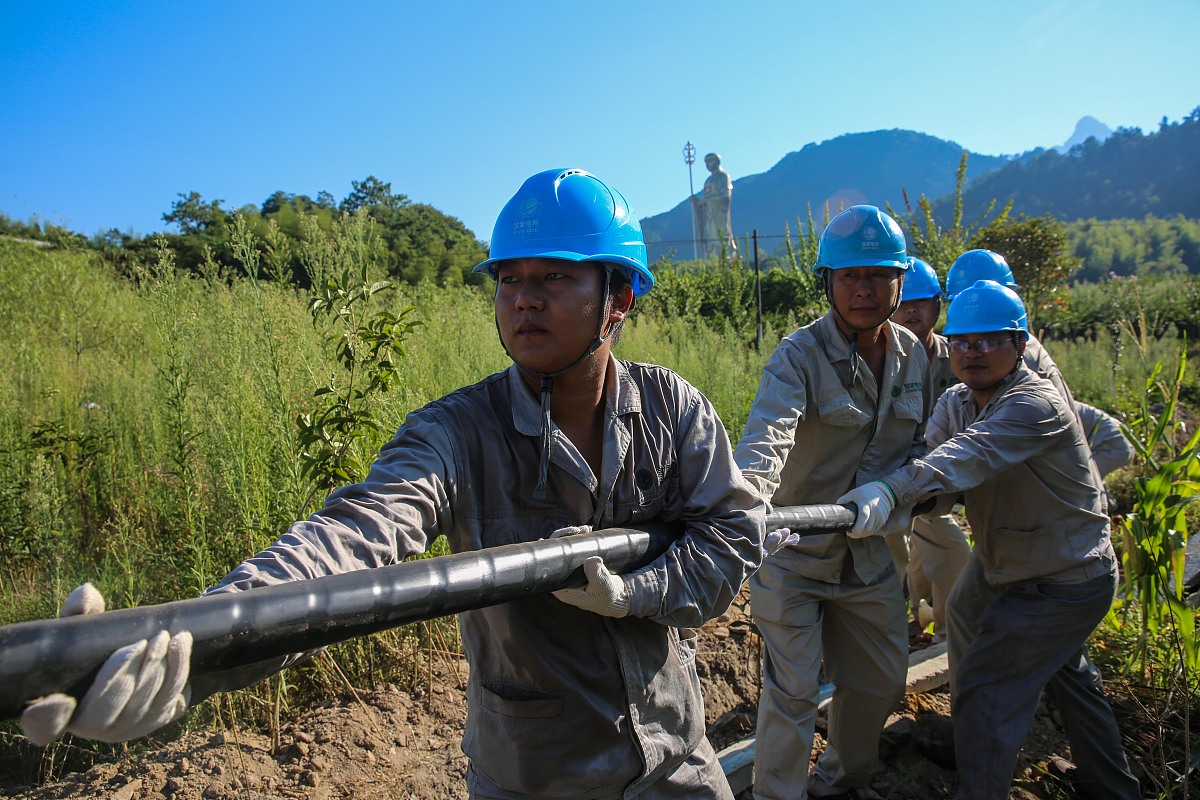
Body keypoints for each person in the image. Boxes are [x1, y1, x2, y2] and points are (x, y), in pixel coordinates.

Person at [20, 168, 769, 800]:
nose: (523, 298)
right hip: (538, 775)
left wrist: (632, 593)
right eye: (509, 279)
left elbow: (734, 534)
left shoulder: (672, 408)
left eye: (554, 277)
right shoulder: (455, 434)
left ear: (619, 299)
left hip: (677, 757)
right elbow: (346, 541)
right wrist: (193, 647)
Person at [839, 280, 1140, 800]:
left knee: (987, 683)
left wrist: (891, 490)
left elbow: (963, 458)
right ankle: (1109, 786)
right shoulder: (958, 401)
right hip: (1004, 560)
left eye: (988, 341)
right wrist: (900, 492)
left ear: (1021, 345)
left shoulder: (1034, 405)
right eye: (961, 342)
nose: (971, 352)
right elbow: (929, 461)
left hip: (1064, 577)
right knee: (1043, 661)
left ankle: (980, 779)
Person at [734, 205, 928, 799]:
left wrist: (913, 489)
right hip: (794, 555)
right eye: (849, 276)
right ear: (827, 282)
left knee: (880, 682)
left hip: (868, 558)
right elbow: (768, 435)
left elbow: (924, 441)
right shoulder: (799, 355)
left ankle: (840, 782)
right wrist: (745, 505)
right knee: (793, 690)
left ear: (900, 282)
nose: (863, 289)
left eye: (877, 275)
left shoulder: (915, 357)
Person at [890, 256, 971, 642]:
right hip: (889, 479)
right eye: (905, 304)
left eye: (922, 303)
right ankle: (912, 616)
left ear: (938, 306)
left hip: (938, 478)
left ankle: (942, 628)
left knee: (945, 552)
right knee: (901, 556)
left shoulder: (958, 356)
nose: (913, 312)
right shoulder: (879, 358)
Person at [692, 153, 737, 259]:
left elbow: (725, 197)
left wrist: (706, 201)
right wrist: (698, 203)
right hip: (709, 215)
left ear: (717, 162)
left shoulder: (724, 177)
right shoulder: (708, 181)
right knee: (710, 238)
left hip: (719, 214)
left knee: (721, 238)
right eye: (706, 163)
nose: (708, 165)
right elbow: (705, 201)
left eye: (710, 162)